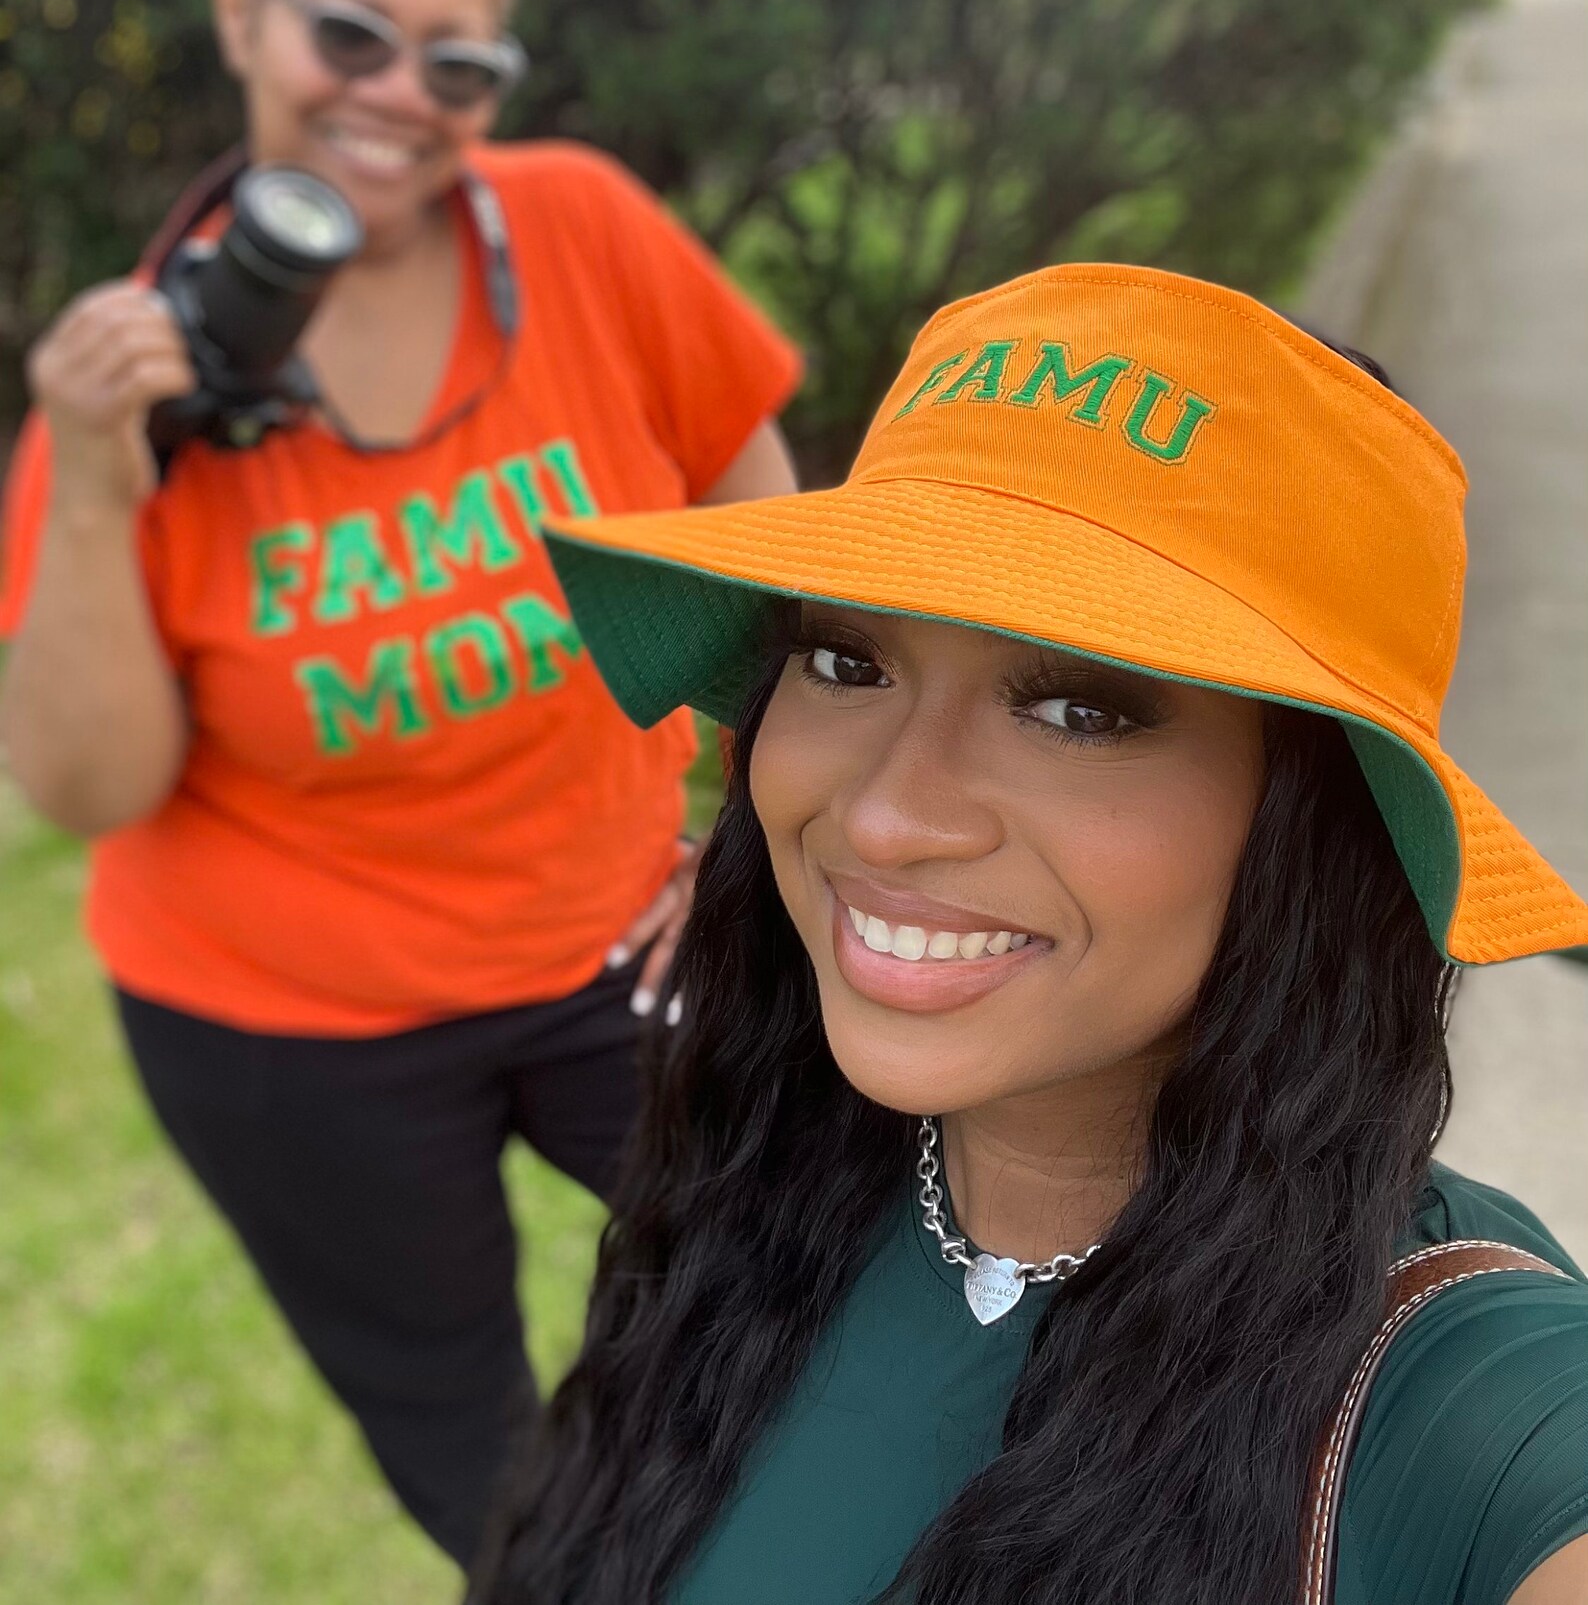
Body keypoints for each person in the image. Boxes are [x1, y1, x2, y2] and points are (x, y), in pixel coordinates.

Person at [473, 263, 1588, 1605]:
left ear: (1318, 825)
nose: (885, 815)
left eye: (1075, 709)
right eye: (846, 661)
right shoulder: (761, 1179)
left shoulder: (1471, 1411)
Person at [0, 0, 800, 1568]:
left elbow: (775, 551)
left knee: (798, 1281)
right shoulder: (137, 386)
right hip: (293, 1030)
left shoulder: (586, 233)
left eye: (458, 64)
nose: (397, 98)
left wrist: (755, 821)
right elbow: (88, 788)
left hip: (615, 933)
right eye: (349, 30)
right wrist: (93, 480)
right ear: (239, 8)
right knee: (478, 1447)